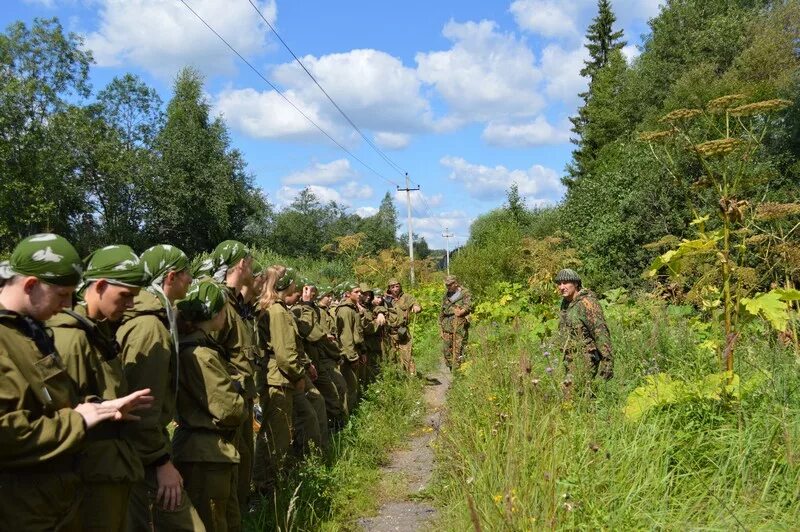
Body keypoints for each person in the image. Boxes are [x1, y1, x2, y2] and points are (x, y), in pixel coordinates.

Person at [0, 234, 153, 531]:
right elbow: (6, 432)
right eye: (61, 295)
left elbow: (49, 402)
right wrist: (78, 421)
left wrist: (101, 409)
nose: (68, 304)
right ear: (30, 285)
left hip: (51, 505)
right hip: (21, 512)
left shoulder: (28, 331)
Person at [48, 244, 149, 531]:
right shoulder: (70, 337)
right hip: (88, 475)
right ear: (101, 286)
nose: (130, 305)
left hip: (109, 469)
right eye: (125, 295)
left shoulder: (98, 331)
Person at [117, 244, 206, 531]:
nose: (190, 279)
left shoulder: (157, 317)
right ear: (170, 276)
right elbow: (141, 404)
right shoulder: (150, 327)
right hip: (143, 455)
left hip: (141, 450)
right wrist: (160, 461)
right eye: (186, 273)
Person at [174, 280, 246, 532]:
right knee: (214, 522)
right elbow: (231, 409)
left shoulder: (200, 348)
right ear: (215, 313)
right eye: (224, 309)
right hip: (205, 455)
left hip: (208, 452)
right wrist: (238, 391)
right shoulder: (201, 354)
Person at [200, 240, 257, 514]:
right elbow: (206, 354)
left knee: (243, 458)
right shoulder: (219, 302)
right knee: (231, 466)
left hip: (241, 397)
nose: (253, 270)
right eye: (251, 264)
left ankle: (242, 515)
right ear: (241, 264)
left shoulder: (234, 303)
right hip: (227, 399)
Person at [252, 266, 306, 495]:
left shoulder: (273, 308)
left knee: (272, 432)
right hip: (279, 379)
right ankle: (268, 486)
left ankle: (265, 482)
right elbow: (285, 354)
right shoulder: (278, 312)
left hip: (275, 377)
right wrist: (298, 375)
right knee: (278, 435)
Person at [555, 269, 614, 381]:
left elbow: (600, 332)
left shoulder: (587, 303)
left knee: (580, 388)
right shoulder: (566, 303)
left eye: (565, 283)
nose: (562, 287)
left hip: (586, 358)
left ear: (576, 284)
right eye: (559, 283)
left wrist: (607, 362)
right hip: (570, 358)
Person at [336, 283, 365, 413]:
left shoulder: (353, 308)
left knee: (354, 385)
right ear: (348, 294)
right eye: (356, 292)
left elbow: (357, 332)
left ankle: (354, 412)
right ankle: (349, 417)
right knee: (350, 386)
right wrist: (352, 357)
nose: (360, 294)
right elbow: (346, 336)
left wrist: (362, 351)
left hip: (355, 350)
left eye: (360, 292)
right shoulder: (345, 310)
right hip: (348, 354)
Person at [385, 278, 421, 375]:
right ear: (389, 288)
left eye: (397, 286)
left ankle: (411, 377)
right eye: (392, 287)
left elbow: (415, 303)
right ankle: (394, 377)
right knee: (391, 356)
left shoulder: (406, 297)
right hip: (389, 333)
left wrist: (416, 306)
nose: (395, 289)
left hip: (403, 331)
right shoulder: (385, 299)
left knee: (407, 355)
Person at [439, 275, 472, 371]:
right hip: (447, 326)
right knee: (446, 351)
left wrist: (461, 312)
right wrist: (440, 327)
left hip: (459, 325)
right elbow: (442, 311)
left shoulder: (464, 293)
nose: (448, 287)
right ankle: (452, 370)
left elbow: (468, 306)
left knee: (458, 350)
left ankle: (459, 374)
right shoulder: (446, 295)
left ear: (456, 283)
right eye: (446, 285)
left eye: (450, 285)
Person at [359, 285, 387, 385]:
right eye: (365, 294)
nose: (368, 297)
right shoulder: (358, 308)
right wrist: (376, 322)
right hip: (364, 345)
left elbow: (378, 307)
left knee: (375, 367)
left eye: (369, 295)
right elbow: (367, 328)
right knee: (365, 371)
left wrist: (380, 313)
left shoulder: (368, 306)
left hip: (373, 344)